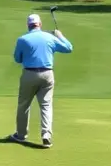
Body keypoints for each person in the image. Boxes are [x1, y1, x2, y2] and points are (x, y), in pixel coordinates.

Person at [9, 13, 72, 148]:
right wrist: (59, 35)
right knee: (46, 105)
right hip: (47, 74)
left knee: (24, 105)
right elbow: (68, 48)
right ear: (40, 24)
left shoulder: (22, 39)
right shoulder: (50, 37)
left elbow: (17, 59)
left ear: (28, 25)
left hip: (29, 74)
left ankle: (20, 135)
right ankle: (46, 135)